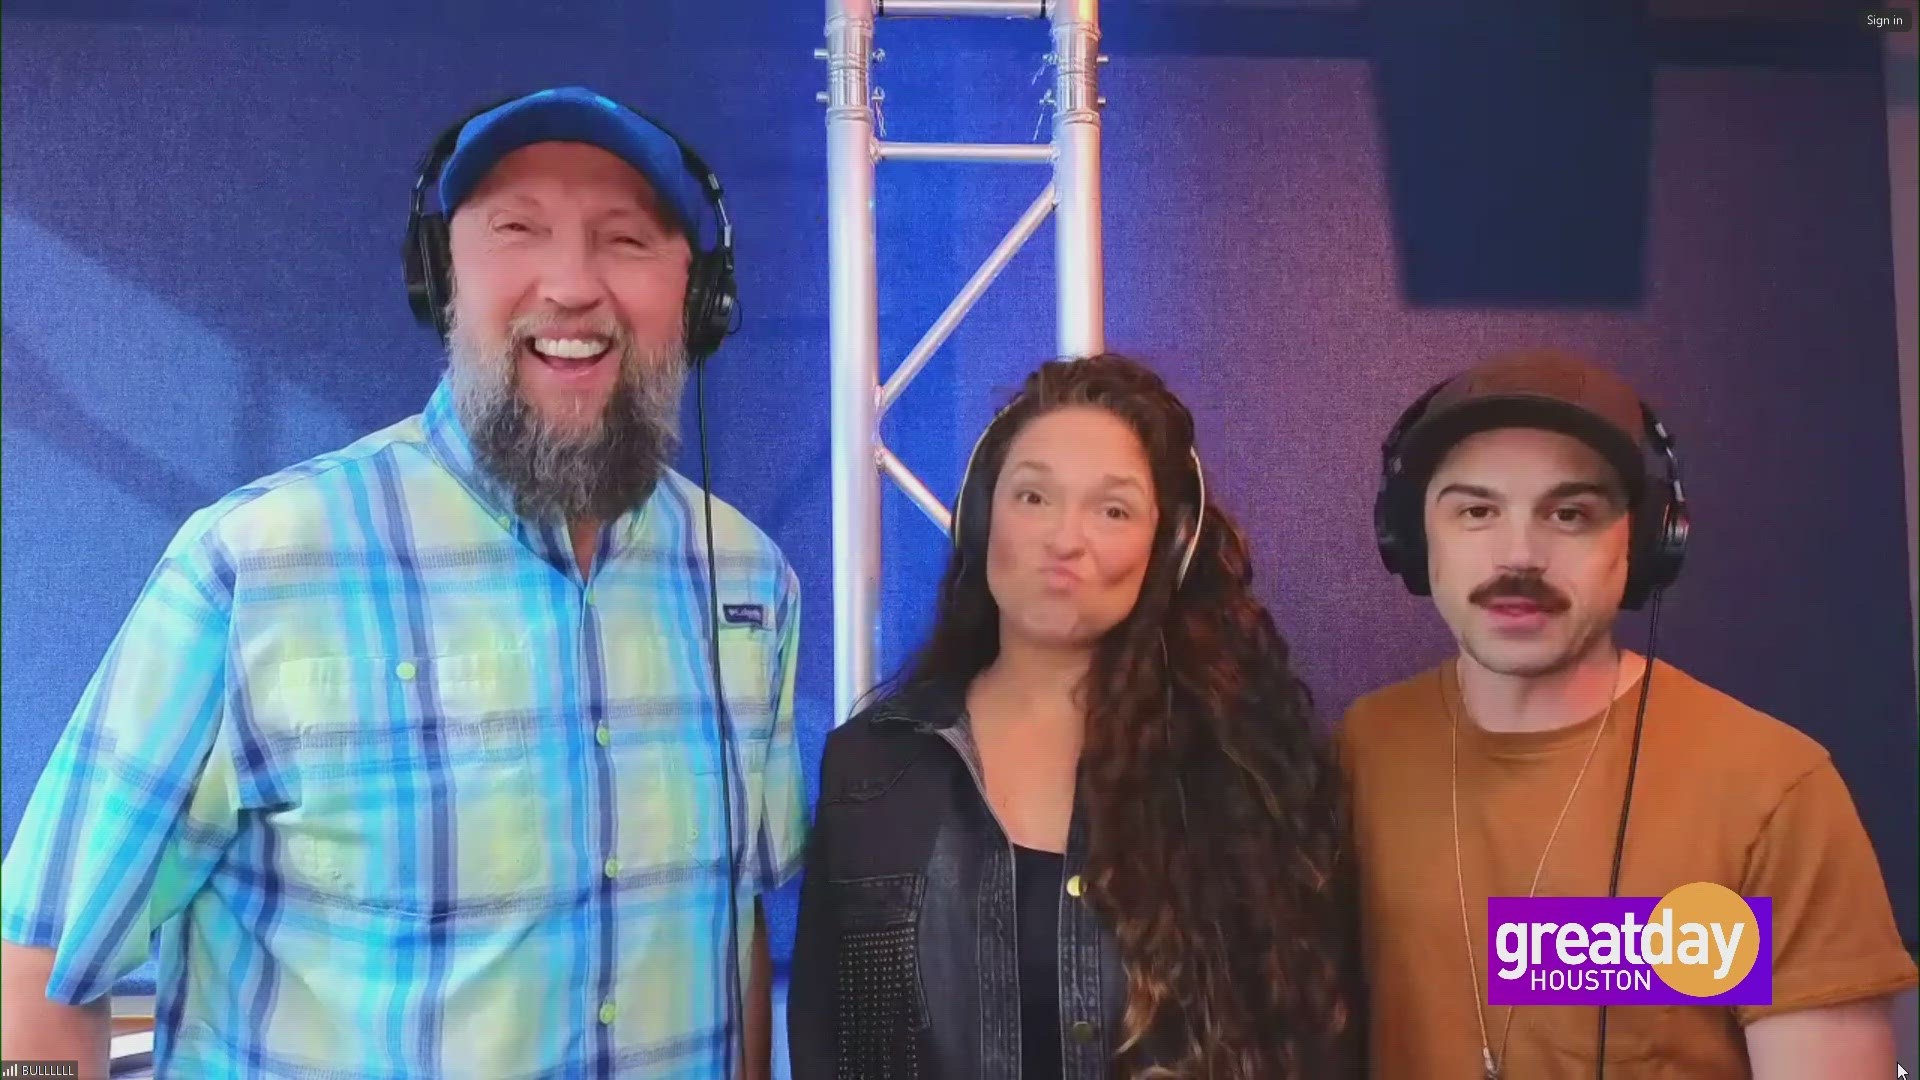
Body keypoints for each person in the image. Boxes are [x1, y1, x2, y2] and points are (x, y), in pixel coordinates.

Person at [0, 86, 806, 1079]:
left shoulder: (749, 585)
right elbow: (36, 968)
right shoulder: (254, 565)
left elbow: (736, 927)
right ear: (442, 279)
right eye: (517, 230)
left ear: (699, 293)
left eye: (625, 240)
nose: (571, 284)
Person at [1343, 346, 1917, 1077]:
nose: (1520, 554)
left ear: (1645, 544)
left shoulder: (1771, 790)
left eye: (1570, 512)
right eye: (1477, 510)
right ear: (1414, 538)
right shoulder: (1360, 752)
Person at [787, 353, 1363, 1080]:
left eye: (1113, 509)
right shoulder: (871, 766)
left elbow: (1314, 1044)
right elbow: (832, 1051)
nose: (1065, 539)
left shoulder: (1243, 773)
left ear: (1169, 547)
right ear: (979, 518)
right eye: (1033, 498)